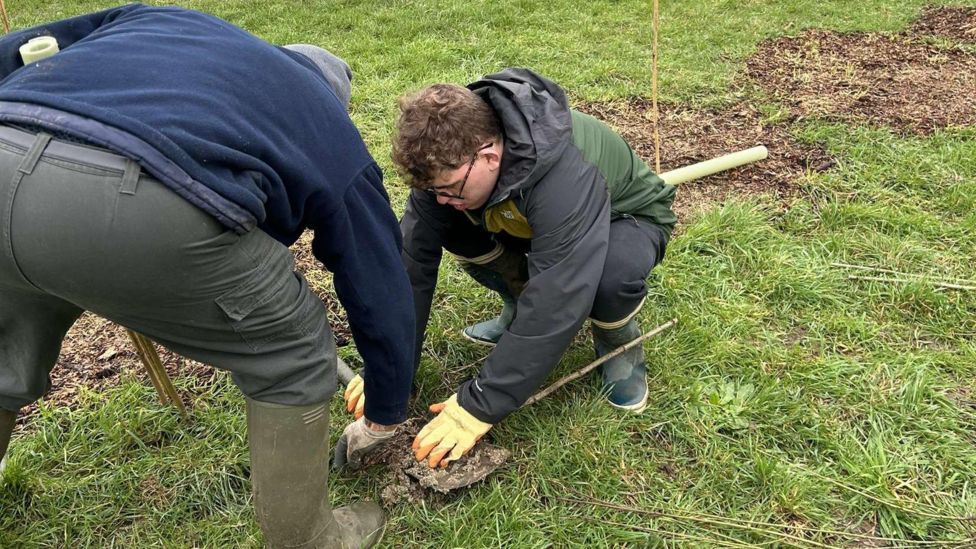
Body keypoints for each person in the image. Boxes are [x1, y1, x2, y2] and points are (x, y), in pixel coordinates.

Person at [0, 5, 413, 548]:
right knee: (293, 354)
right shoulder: (322, 118)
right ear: (335, 97)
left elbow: (26, 45)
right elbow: (378, 282)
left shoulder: (168, 22)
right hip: (132, 204)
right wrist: (385, 408)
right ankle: (311, 540)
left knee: (6, 349)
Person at [366, 68, 677, 469]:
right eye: (433, 191)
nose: (440, 199)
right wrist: (389, 370)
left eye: (449, 190)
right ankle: (516, 302)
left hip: (625, 219)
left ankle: (620, 347)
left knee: (605, 278)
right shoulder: (447, 170)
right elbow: (410, 264)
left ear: (489, 156)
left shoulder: (564, 176)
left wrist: (480, 404)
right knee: (448, 226)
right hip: (524, 218)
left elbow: (557, 297)